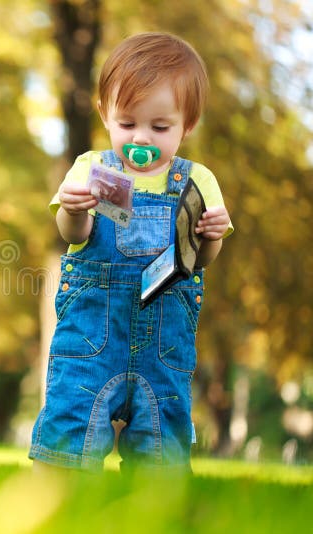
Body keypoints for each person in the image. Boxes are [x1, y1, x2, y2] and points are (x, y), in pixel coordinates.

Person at [29, 32, 233, 474]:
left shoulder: (197, 182)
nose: (142, 138)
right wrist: (73, 209)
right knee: (70, 429)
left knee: (160, 447)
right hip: (90, 339)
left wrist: (211, 236)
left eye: (160, 128)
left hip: (164, 348)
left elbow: (198, 262)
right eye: (127, 124)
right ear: (105, 114)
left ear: (188, 124)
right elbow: (74, 234)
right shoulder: (92, 168)